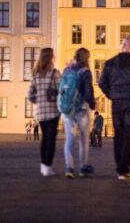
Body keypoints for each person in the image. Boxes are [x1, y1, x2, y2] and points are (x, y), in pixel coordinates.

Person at [98, 36, 130, 181]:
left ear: (122, 46)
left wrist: (112, 94)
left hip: (117, 101)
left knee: (119, 134)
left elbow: (101, 82)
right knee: (129, 135)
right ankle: (124, 169)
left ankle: (120, 168)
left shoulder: (109, 63)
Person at [59, 48, 96, 178]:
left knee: (69, 138)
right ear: (87, 58)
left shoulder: (67, 69)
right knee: (84, 139)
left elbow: (62, 88)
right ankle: (83, 167)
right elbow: (88, 91)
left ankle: (69, 168)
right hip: (81, 109)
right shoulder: (86, 72)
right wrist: (92, 104)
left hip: (68, 109)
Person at [27, 47, 61, 176]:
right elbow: (62, 90)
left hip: (40, 112)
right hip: (53, 111)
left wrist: (39, 100)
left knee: (44, 138)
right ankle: (47, 166)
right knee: (51, 139)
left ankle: (43, 166)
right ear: (51, 57)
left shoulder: (36, 74)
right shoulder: (55, 73)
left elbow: (30, 95)